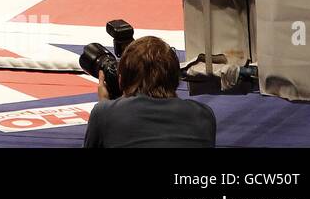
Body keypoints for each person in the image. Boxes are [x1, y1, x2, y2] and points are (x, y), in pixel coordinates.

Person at [83, 36, 216, 148]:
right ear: (176, 79)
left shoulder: (104, 113)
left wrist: (105, 105)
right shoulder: (204, 114)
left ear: (120, 80)